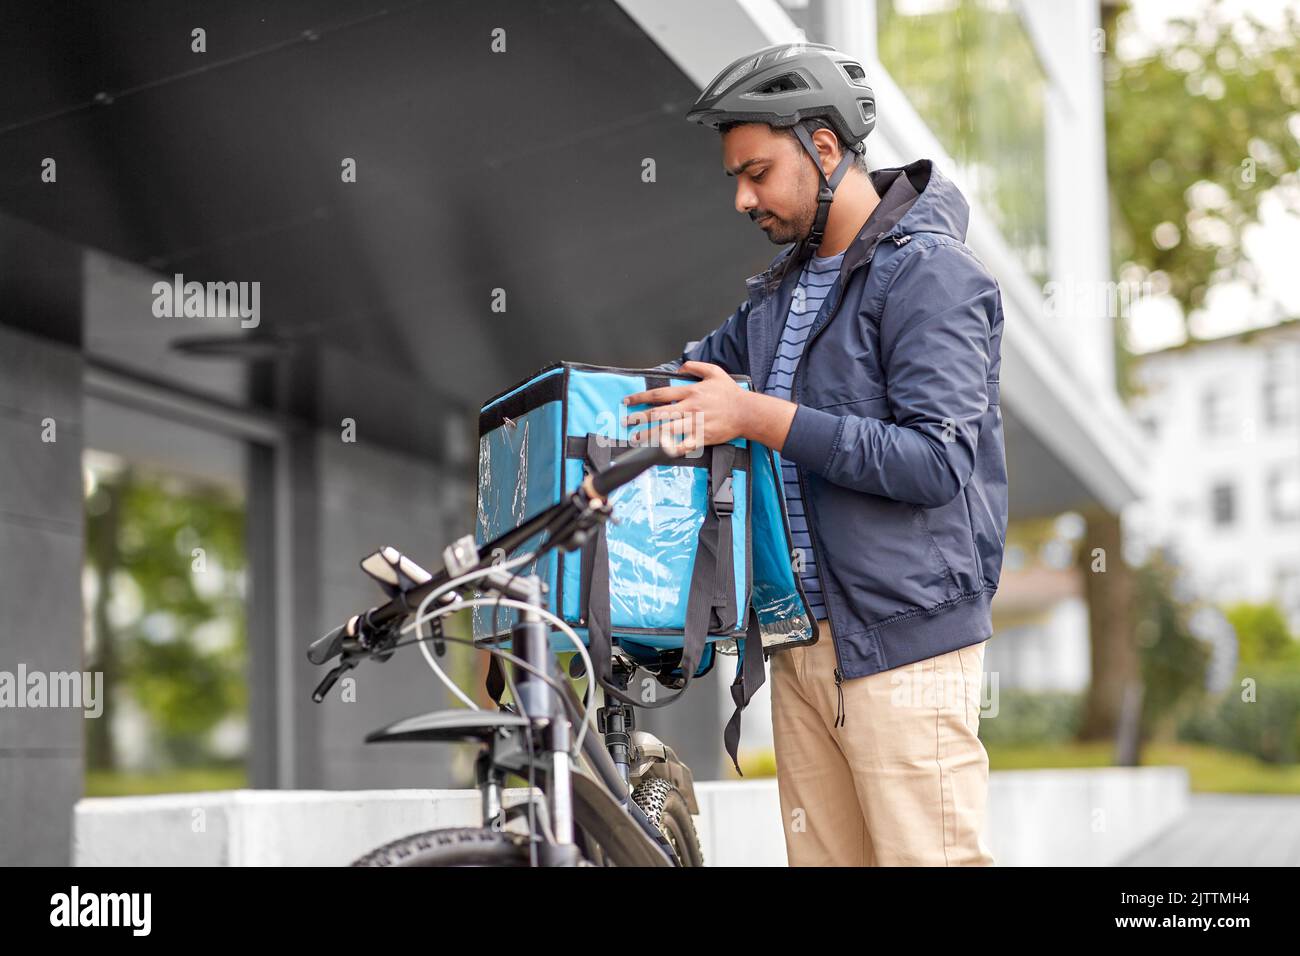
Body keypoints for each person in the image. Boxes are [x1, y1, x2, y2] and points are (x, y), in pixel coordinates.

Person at [621, 42, 1007, 866]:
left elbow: (935, 463)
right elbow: (670, 392)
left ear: (823, 148)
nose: (741, 197)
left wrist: (756, 414)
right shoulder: (778, 298)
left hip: (904, 646)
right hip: (799, 650)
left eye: (756, 171)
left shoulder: (932, 277)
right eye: (736, 176)